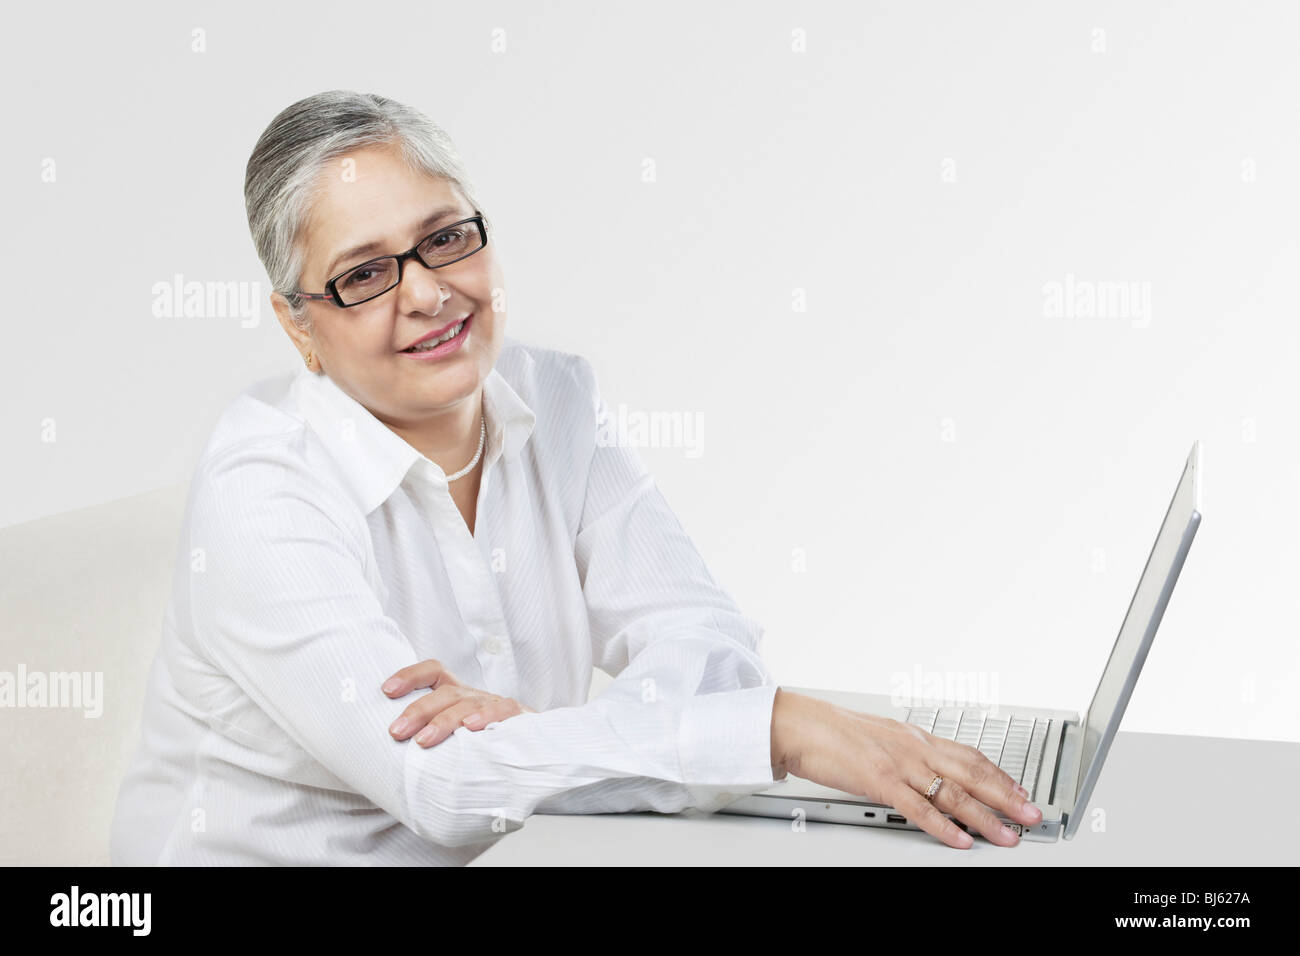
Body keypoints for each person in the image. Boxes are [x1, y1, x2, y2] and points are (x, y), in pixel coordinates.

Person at [110, 90, 1040, 865]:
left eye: (444, 238)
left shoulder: (553, 398)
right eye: (363, 276)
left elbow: (706, 642)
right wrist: (780, 731)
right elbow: (442, 786)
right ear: (297, 325)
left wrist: (535, 742)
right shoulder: (261, 491)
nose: (430, 293)